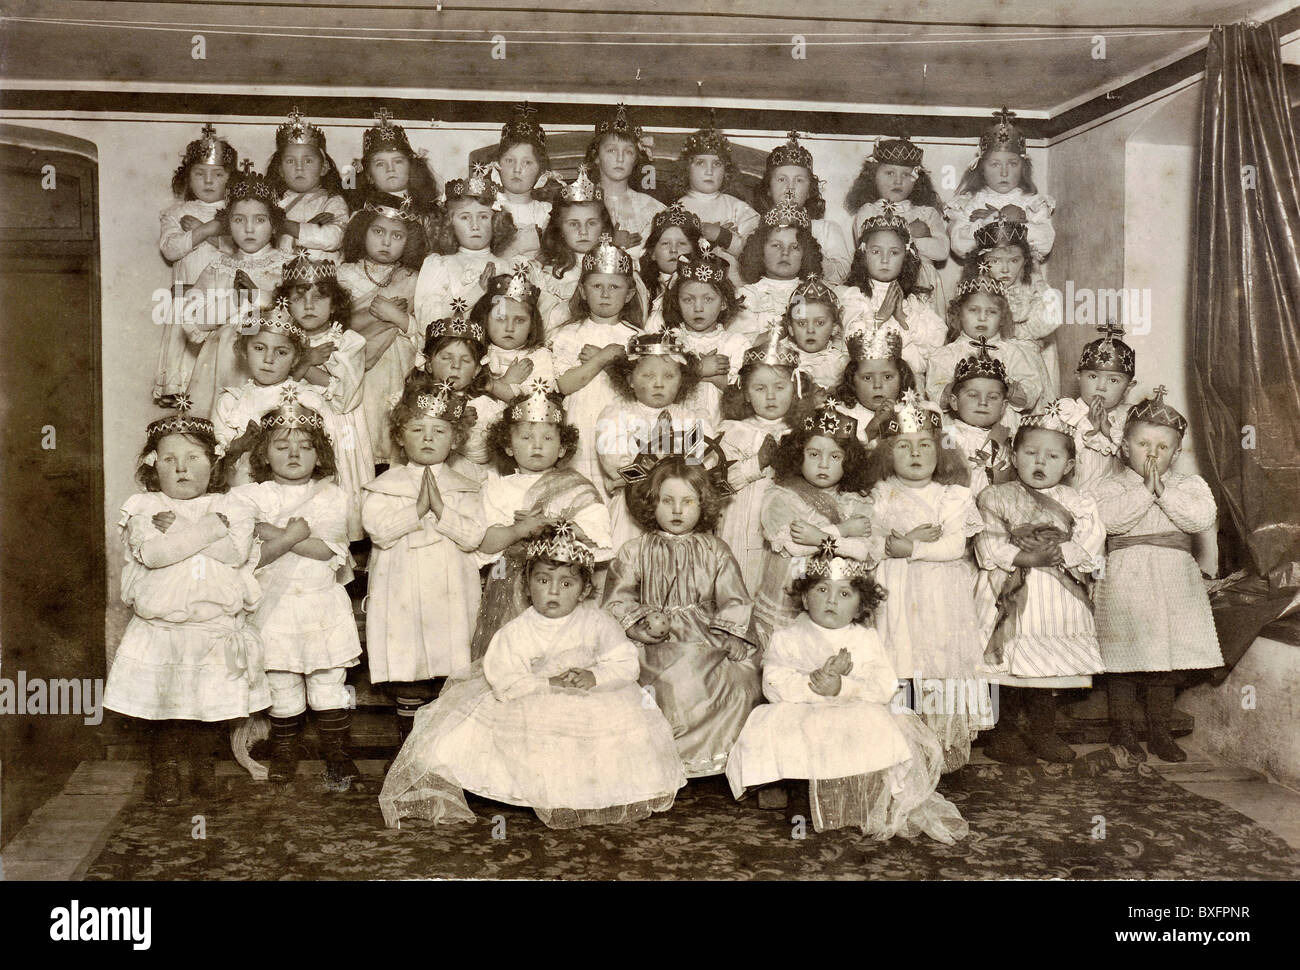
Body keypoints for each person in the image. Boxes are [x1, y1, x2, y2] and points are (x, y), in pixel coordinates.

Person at [378, 523, 685, 829]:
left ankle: (586, 789)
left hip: (593, 699)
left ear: (585, 591)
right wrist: (546, 683)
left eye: (567, 584)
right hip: (533, 697)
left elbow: (625, 662)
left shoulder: (598, 623)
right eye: (543, 580)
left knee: (605, 737)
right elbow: (504, 675)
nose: (553, 591)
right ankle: (525, 787)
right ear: (526, 585)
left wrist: (596, 676)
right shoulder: (517, 630)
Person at [725, 547, 967, 842]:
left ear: (860, 605)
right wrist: (812, 685)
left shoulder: (865, 638)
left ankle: (852, 791)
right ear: (803, 597)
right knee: (775, 722)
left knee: (872, 723)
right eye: (822, 590)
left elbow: (884, 684)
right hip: (802, 709)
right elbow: (773, 682)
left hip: (852, 709)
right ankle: (791, 785)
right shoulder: (787, 636)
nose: (831, 600)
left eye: (844, 594)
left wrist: (843, 687)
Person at [103, 400, 268, 804]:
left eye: (193, 458)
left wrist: (183, 529)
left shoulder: (232, 506)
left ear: (213, 464)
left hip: (211, 628)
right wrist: (208, 531)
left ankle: (202, 768)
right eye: (170, 459)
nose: (181, 468)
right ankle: (165, 772)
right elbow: (155, 554)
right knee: (165, 709)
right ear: (152, 465)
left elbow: (233, 554)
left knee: (206, 707)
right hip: (161, 629)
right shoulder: (143, 507)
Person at [603, 456, 761, 778]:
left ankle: (718, 759)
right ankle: (662, 760)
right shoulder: (634, 550)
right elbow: (616, 601)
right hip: (651, 638)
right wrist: (638, 625)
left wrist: (733, 635)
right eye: (667, 501)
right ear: (651, 503)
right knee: (664, 683)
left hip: (705, 634)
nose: (677, 511)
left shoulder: (715, 549)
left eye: (687, 501)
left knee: (739, 681)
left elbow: (735, 598)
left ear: (703, 505)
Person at [1094, 387, 1222, 763]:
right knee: (1126, 660)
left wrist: (1162, 491)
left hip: (1174, 581)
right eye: (1143, 444)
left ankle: (1159, 731)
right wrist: (1144, 491)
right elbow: (1110, 522)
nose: (1152, 454)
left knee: (1165, 661)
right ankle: (1124, 730)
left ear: (1177, 454)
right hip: (1126, 581)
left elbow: (1200, 520)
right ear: (1124, 447)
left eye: (1162, 448)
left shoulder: (1190, 485)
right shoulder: (1110, 486)